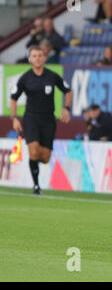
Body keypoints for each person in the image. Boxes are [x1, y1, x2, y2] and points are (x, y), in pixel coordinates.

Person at [10, 46, 72, 195]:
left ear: (44, 58)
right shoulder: (25, 78)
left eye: (40, 55)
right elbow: (13, 98)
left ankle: (36, 166)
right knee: (33, 149)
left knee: (44, 157)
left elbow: (67, 91)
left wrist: (66, 108)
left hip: (48, 119)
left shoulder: (52, 76)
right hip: (31, 118)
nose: (37, 58)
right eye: (34, 56)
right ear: (30, 59)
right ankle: (36, 186)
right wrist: (14, 118)